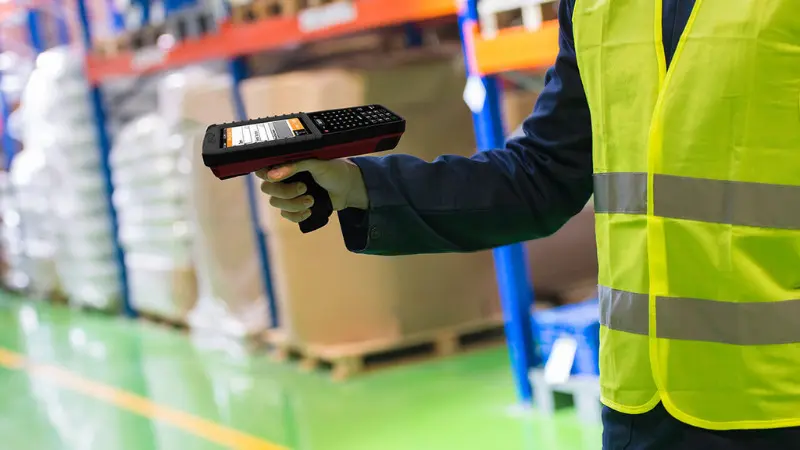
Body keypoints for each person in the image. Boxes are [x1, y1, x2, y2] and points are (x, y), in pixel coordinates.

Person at [257, 0, 800, 449]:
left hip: (778, 403)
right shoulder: (595, 7)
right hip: (641, 408)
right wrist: (358, 185)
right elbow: (540, 174)